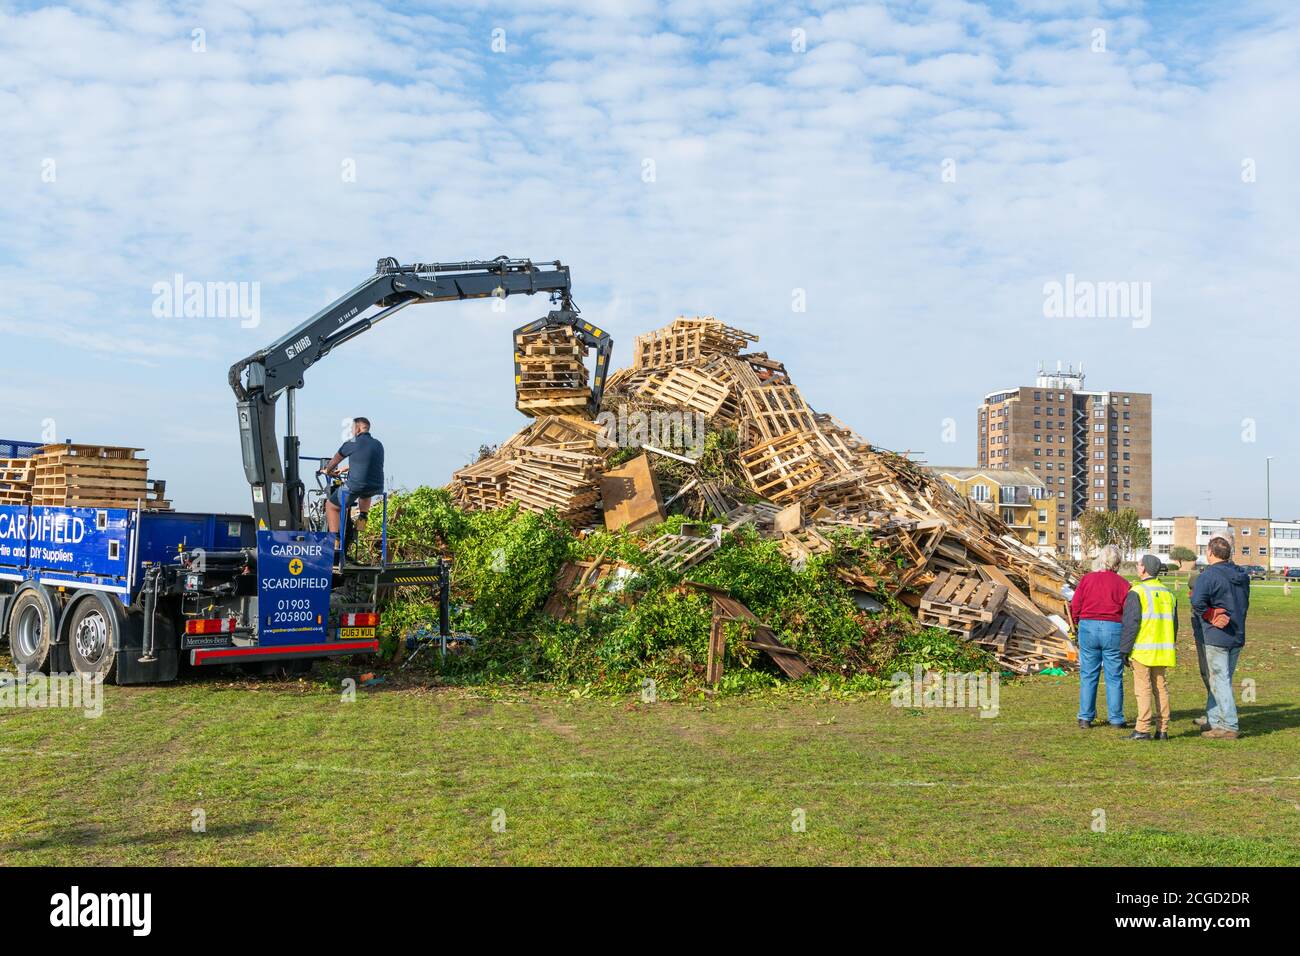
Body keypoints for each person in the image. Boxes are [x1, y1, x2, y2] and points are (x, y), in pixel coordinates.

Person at [1190, 533, 1250, 739]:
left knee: (1219, 680)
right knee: (1223, 679)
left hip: (1216, 636)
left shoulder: (1208, 575)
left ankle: (1229, 725)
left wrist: (1210, 614)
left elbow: (1197, 602)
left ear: (1210, 553)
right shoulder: (1242, 575)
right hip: (1237, 633)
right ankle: (1214, 720)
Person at [1071, 544, 1132, 729]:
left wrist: (1077, 622)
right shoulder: (1123, 584)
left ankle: (1085, 716)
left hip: (1088, 625)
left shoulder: (1087, 579)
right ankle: (1116, 718)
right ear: (1117, 563)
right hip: (1113, 627)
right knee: (1114, 675)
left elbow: (1076, 603)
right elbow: (1127, 610)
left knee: (1088, 674)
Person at [1118, 555, 1177, 740]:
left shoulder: (1138, 591)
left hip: (1143, 650)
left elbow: (1131, 624)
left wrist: (1124, 650)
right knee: (1160, 688)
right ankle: (1163, 729)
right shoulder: (1168, 593)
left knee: (1142, 689)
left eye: (1139, 564)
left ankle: (1142, 729)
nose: (1137, 566)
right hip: (1163, 650)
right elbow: (1174, 625)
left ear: (1143, 569)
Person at [324, 417, 385, 549]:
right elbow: (366, 463)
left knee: (332, 506)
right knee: (365, 492)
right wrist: (346, 468)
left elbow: (333, 462)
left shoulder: (352, 443)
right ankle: (363, 516)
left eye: (352, 428)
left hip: (356, 485)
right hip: (376, 486)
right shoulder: (378, 444)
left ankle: (335, 540)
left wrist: (328, 471)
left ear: (357, 428)